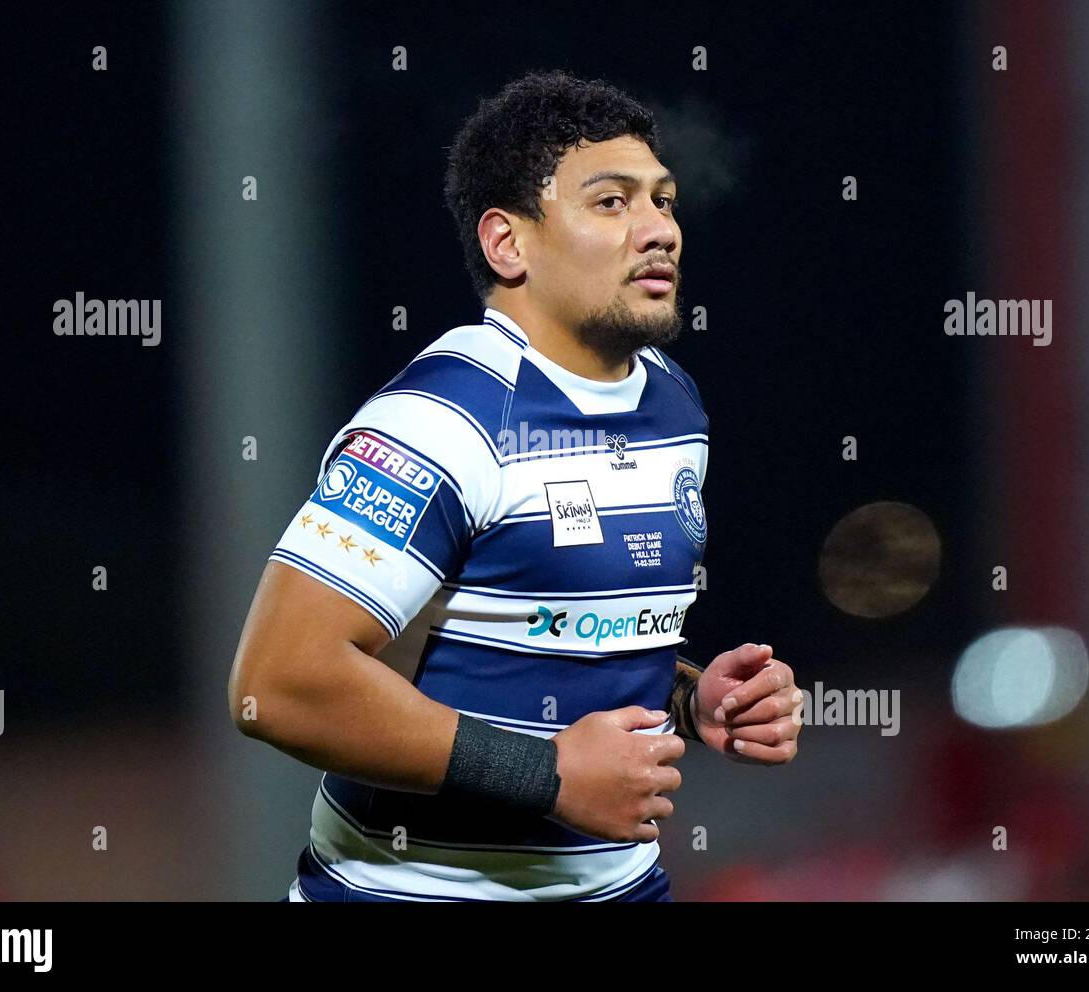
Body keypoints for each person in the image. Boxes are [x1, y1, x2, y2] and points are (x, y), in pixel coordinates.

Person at [228, 69, 801, 902]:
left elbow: (549, 637)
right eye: (612, 202)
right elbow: (274, 685)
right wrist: (549, 775)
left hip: (622, 888)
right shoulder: (442, 420)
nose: (659, 230)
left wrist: (692, 701)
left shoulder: (672, 400)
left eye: (664, 201)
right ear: (508, 243)